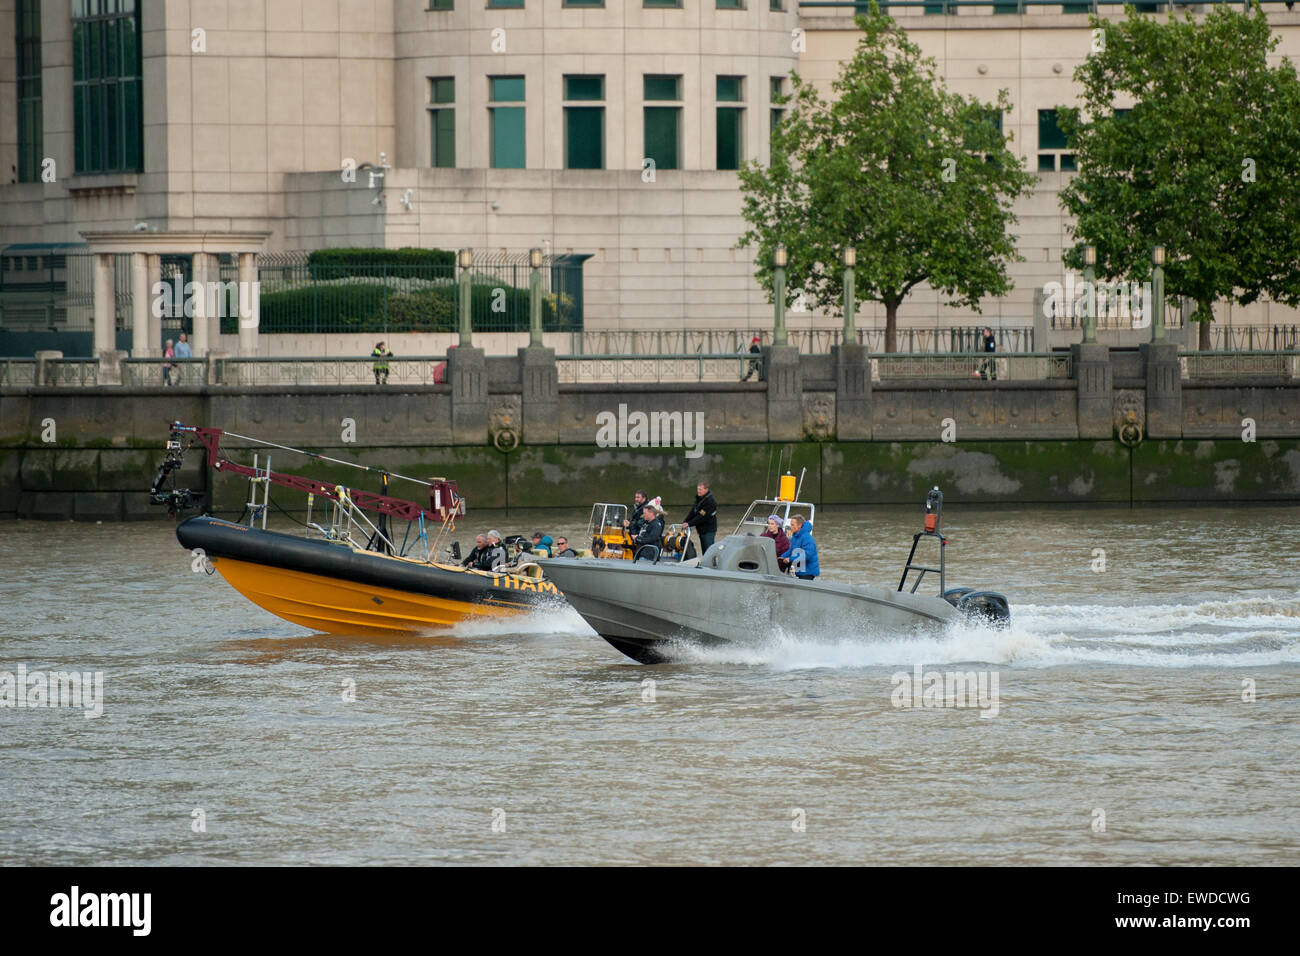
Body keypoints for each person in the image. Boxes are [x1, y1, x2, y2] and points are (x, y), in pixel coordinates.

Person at [682, 481, 719, 554]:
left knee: (709, 552)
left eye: (700, 489)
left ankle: (712, 565)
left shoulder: (710, 502)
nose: (698, 491)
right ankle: (705, 564)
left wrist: (689, 524)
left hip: (709, 530)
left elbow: (702, 516)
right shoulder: (699, 499)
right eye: (698, 489)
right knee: (704, 552)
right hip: (701, 530)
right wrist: (685, 521)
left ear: (706, 489)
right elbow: (693, 511)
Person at [779, 514, 819, 580]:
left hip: (808, 572)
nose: (790, 527)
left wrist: (790, 559)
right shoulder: (795, 536)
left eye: (792, 525)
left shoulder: (807, 538)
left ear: (799, 525)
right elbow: (791, 550)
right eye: (790, 524)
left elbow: (807, 554)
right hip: (799, 569)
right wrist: (782, 557)